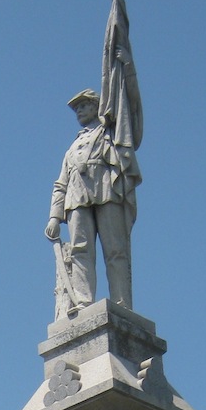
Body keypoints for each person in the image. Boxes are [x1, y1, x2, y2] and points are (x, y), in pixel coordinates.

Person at [45, 76, 141, 316]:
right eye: (76, 108)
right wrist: (54, 217)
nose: (78, 111)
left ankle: (122, 303)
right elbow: (60, 183)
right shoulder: (72, 148)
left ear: (97, 105)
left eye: (84, 105)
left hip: (107, 191)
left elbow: (127, 108)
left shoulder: (111, 132)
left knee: (115, 250)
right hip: (77, 199)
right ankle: (83, 300)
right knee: (80, 250)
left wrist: (124, 66)